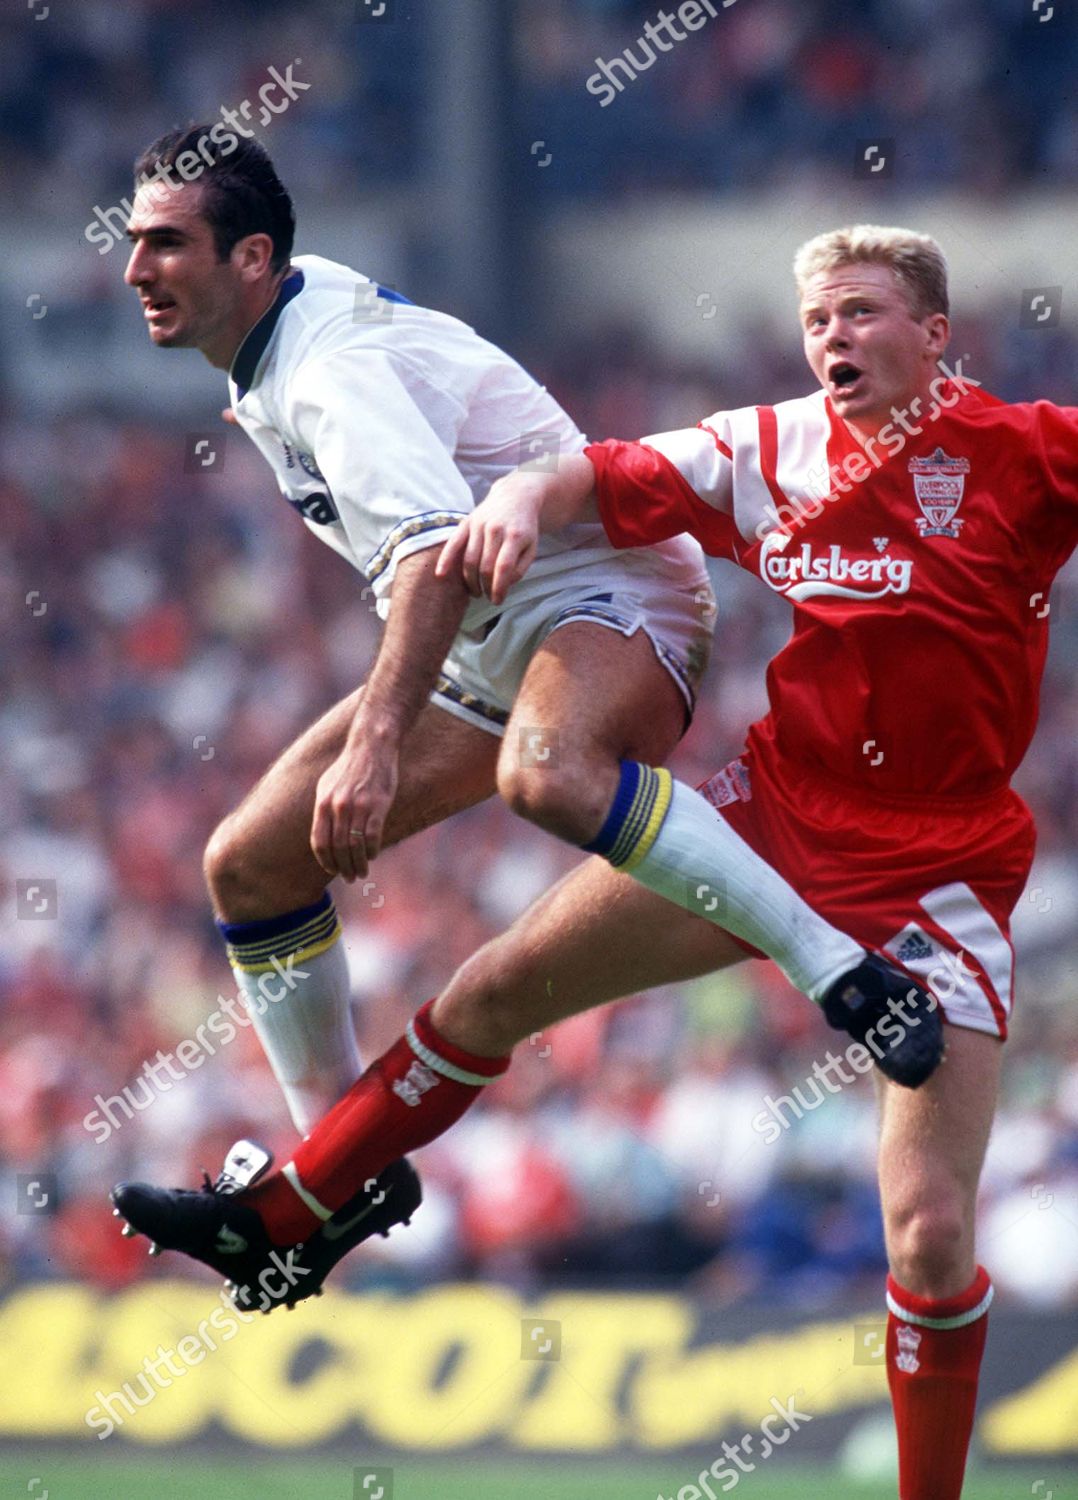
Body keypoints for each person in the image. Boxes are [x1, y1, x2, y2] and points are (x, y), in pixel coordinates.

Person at [116, 223, 1076, 1500]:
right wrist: (515, 497)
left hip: (944, 869)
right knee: (486, 993)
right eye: (816, 322)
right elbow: (601, 472)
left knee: (934, 1234)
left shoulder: (1027, 453)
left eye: (859, 314)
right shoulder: (775, 448)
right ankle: (288, 1218)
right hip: (775, 823)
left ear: (935, 334)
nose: (832, 340)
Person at [113, 137, 935, 1261]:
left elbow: (430, 558)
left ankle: (841, 973)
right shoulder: (277, 336)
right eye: (132, 242)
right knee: (249, 864)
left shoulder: (325, 371)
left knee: (545, 776)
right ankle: (333, 1180)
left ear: (253, 256)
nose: (134, 269)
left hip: (613, 603)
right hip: (490, 636)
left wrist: (377, 747)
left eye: (164, 242)